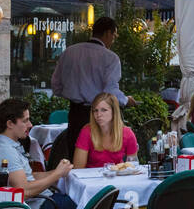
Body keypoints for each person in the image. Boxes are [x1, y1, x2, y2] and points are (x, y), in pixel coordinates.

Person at [51, 16, 135, 144]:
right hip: (100, 116)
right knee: (98, 157)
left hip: (75, 114)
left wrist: (74, 94)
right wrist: (126, 100)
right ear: (108, 33)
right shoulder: (110, 58)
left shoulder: (69, 52)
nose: (113, 40)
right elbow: (110, 91)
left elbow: (56, 86)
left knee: (75, 156)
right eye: (114, 35)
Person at [0, 97, 74, 209]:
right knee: (88, 205)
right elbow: (24, 189)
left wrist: (59, 173)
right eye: (25, 120)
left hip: (43, 202)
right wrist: (57, 174)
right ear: (10, 124)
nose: (30, 125)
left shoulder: (9, 145)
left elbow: (28, 176)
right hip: (39, 208)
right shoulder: (6, 151)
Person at [72, 93, 139, 168]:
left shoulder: (127, 134)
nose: (98, 114)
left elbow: (133, 166)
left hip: (117, 177)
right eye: (95, 110)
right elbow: (78, 168)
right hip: (91, 178)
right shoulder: (87, 131)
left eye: (104, 110)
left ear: (114, 112)